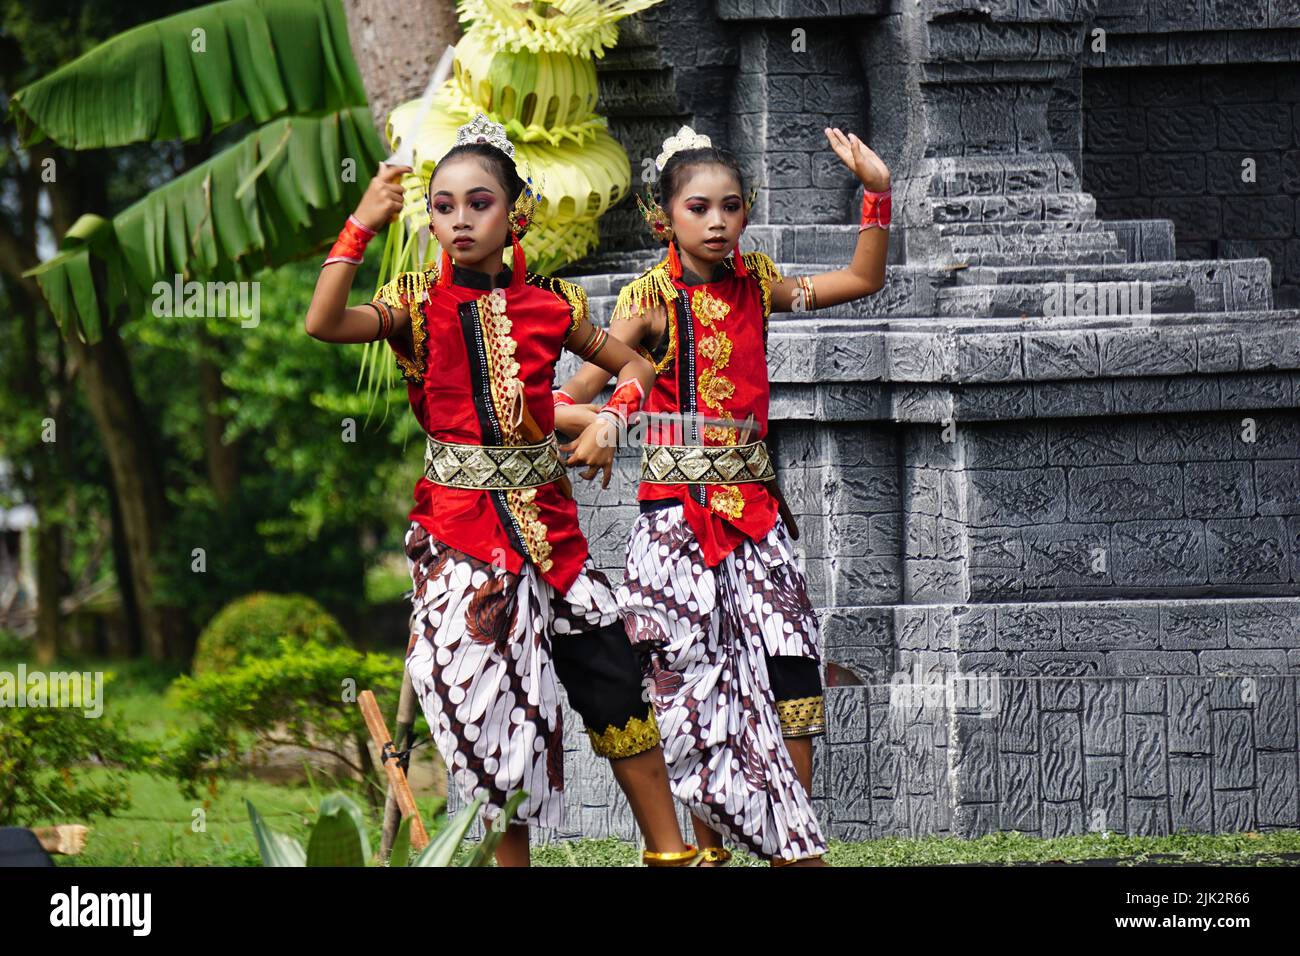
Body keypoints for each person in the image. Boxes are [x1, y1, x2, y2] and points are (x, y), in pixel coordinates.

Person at [304, 114, 698, 867]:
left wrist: (609, 423)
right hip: (463, 543)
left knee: (615, 680)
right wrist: (360, 224)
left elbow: (637, 369)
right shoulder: (414, 304)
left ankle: (672, 855)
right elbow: (323, 322)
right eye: (443, 205)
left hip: (555, 537)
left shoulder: (554, 305)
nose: (459, 220)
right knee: (494, 725)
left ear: (517, 212)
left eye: (478, 203)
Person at [553, 124, 892, 866]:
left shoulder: (757, 280)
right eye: (698, 207)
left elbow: (861, 281)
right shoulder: (646, 302)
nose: (716, 221)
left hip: (760, 519)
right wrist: (598, 423)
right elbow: (575, 395)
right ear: (663, 218)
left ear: (746, 214)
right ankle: (710, 852)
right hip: (675, 524)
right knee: (685, 684)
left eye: (730, 207)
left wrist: (877, 192)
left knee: (791, 667)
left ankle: (787, 839)